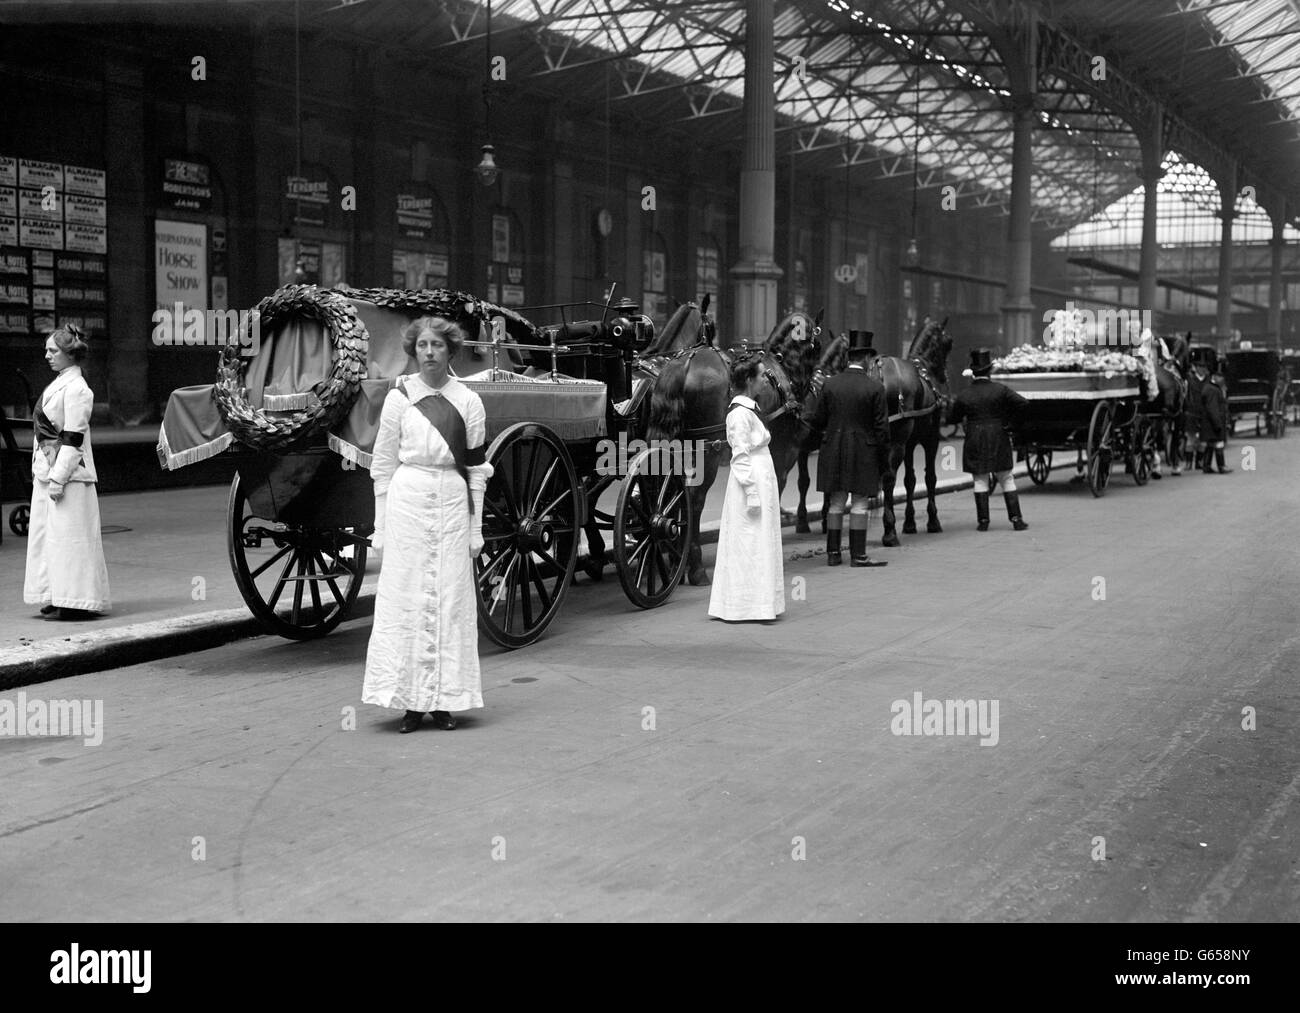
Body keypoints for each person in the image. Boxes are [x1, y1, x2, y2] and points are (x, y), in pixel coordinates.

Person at [362, 315, 492, 733]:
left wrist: (476, 530)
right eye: (423, 346)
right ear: (413, 352)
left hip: (452, 504)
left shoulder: (469, 401)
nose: (430, 353)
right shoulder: (400, 399)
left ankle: (445, 701)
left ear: (451, 352)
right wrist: (380, 526)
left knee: (450, 599)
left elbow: (475, 469)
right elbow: (382, 466)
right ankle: (409, 702)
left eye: (438, 346)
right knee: (407, 598)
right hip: (408, 500)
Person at [23, 324, 111, 619]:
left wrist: (59, 477)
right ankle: (57, 595)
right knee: (49, 538)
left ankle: (77, 601)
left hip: (70, 475)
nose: (47, 355)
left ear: (70, 354)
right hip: (49, 471)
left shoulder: (78, 389)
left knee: (71, 541)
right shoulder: (60, 382)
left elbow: (73, 437)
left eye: (52, 350)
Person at [803, 329, 889, 566]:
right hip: (864, 451)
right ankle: (858, 555)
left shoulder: (830, 386)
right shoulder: (875, 388)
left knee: (836, 502)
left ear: (849, 357)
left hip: (833, 449)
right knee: (860, 503)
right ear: (866, 359)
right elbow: (882, 430)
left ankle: (833, 554)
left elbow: (818, 420)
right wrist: (884, 462)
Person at [708, 358, 785, 621]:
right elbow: (739, 455)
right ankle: (743, 604)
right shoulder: (739, 413)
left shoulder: (750, 410)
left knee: (759, 538)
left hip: (761, 477)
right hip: (750, 481)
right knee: (749, 539)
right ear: (749, 380)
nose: (766, 379)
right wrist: (751, 491)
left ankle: (760, 601)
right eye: (762, 376)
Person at [949, 347, 1029, 531]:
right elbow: (1023, 404)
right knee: (1006, 478)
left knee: (980, 479)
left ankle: (983, 522)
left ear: (973, 373)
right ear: (990, 370)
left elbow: (952, 418)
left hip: (975, 438)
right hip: (999, 436)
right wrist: (1010, 424)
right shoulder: (1001, 390)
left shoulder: (965, 394)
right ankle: (1016, 520)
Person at [1200, 368, 1232, 474]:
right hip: (1213, 422)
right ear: (1214, 377)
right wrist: (1218, 423)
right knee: (1219, 444)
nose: (1222, 380)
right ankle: (1221, 466)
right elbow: (1212, 408)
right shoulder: (1212, 390)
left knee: (1210, 444)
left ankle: (1206, 465)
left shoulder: (1210, 388)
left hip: (1209, 423)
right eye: (1220, 377)